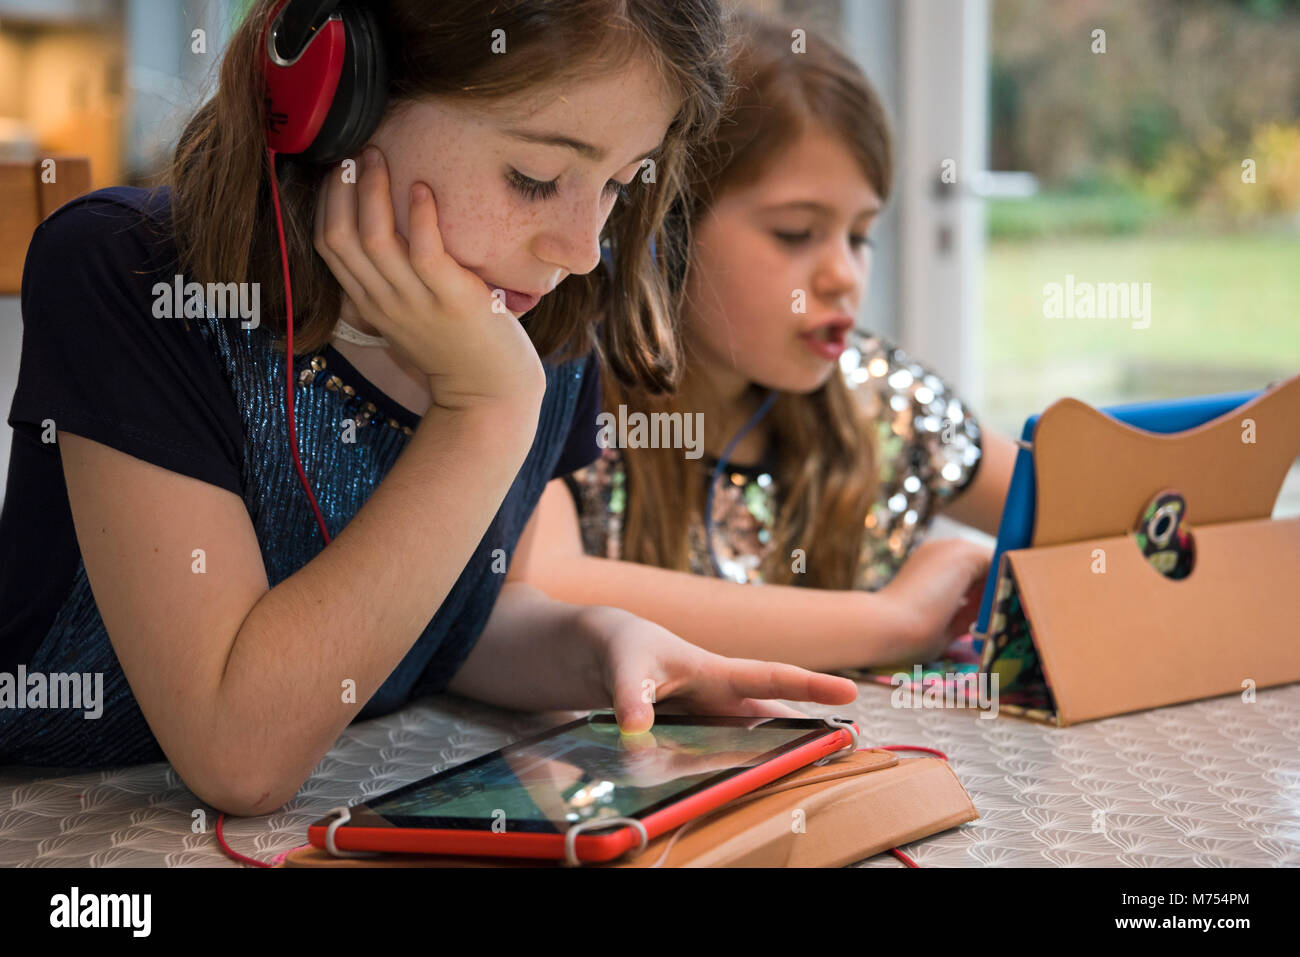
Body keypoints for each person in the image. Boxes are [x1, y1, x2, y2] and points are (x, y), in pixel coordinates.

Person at [0, 0, 857, 816]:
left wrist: (597, 645)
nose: (580, 249)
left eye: (619, 185)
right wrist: (483, 414)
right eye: (535, 176)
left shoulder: (536, 317)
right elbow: (239, 753)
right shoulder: (132, 281)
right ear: (337, 100)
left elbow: (466, 619)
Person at [512, 9, 1019, 675]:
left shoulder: (885, 400)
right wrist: (887, 624)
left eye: (860, 235)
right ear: (667, 231)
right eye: (795, 233)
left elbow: (1089, 509)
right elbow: (544, 585)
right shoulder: (570, 383)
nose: (844, 276)